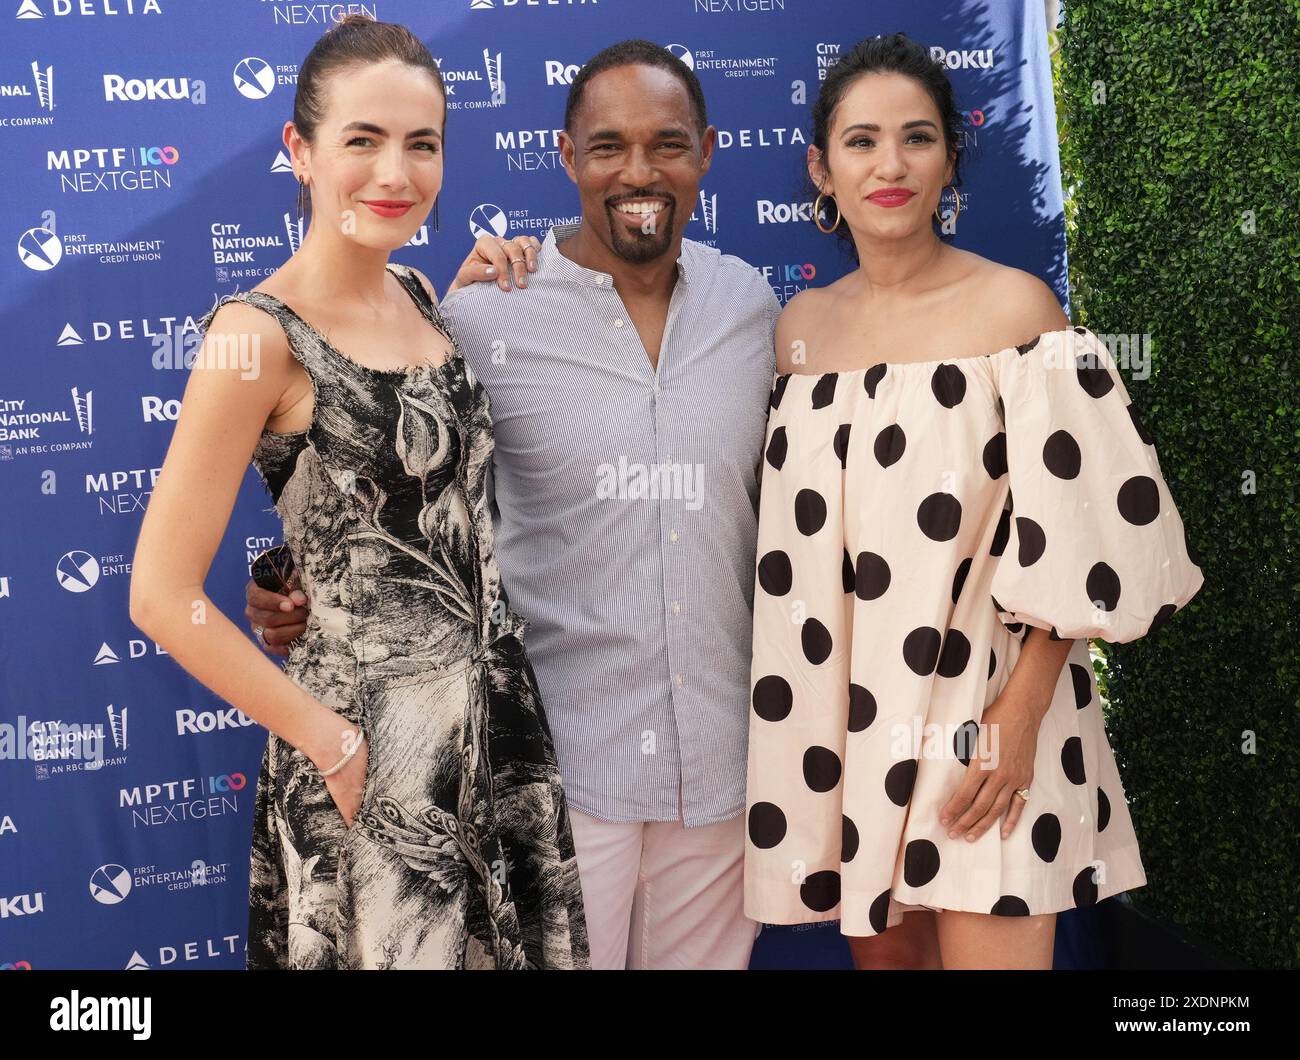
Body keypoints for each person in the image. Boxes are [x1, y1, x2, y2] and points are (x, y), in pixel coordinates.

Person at [247, 39, 780, 970]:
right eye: (607, 146)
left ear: (707, 151)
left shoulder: (755, 308)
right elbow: (386, 482)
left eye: (668, 143)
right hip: (554, 775)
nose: (638, 171)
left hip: (726, 771)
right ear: (568, 158)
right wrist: (296, 588)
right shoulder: (489, 315)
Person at [130, 15, 588, 969]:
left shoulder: (421, 295)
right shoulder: (255, 337)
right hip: (370, 761)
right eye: (362, 141)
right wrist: (331, 745)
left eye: (422, 144)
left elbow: (400, 507)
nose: (396, 173)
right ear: (299, 152)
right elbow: (161, 597)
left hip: (496, 737)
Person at [743, 33, 1204, 969]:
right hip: (850, 724)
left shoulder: (1019, 312)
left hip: (991, 709)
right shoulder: (798, 331)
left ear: (951, 157)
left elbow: (1095, 535)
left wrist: (1023, 713)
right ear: (820, 168)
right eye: (862, 140)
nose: (890, 164)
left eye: (917, 138)